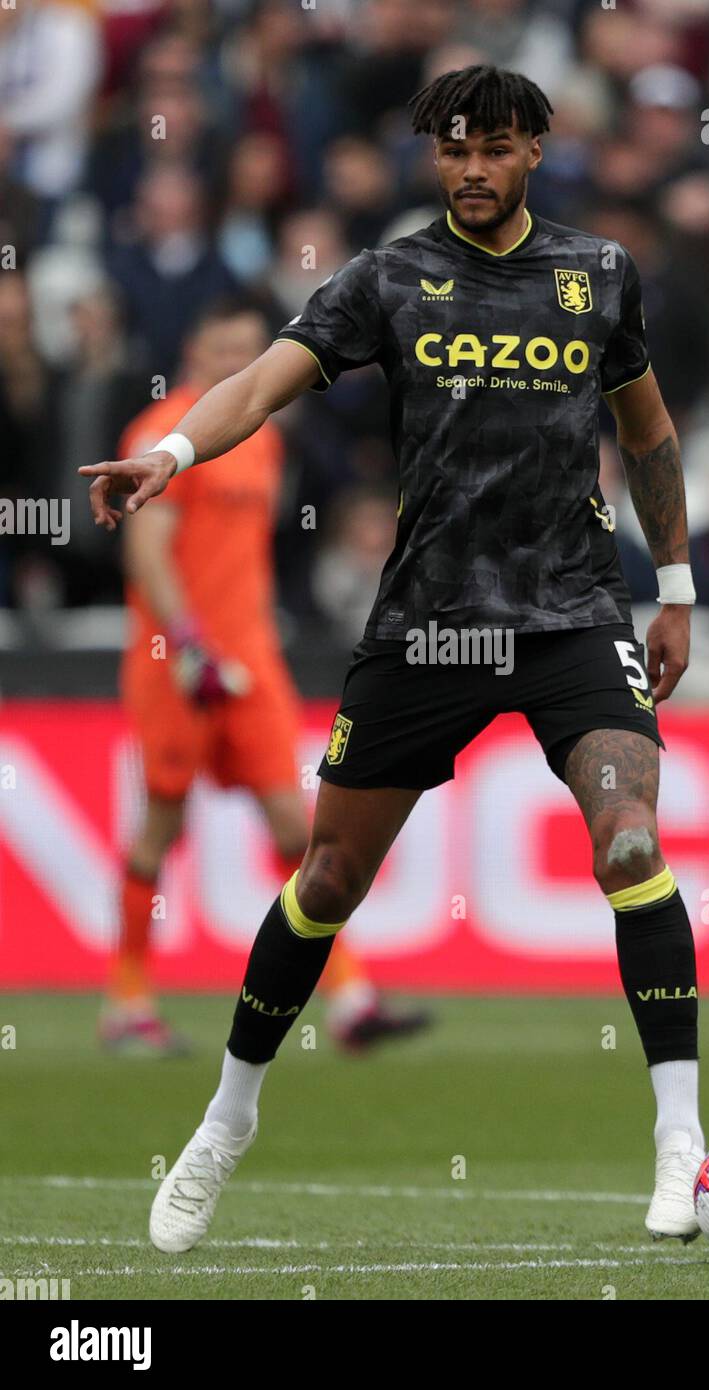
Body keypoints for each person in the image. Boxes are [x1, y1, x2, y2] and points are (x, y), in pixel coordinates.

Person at [82, 65, 703, 1254]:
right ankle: (225, 1119)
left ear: (533, 153)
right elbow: (264, 382)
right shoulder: (390, 277)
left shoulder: (597, 275)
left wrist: (672, 588)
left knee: (628, 838)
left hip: (573, 609)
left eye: (494, 148)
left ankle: (677, 1140)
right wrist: (169, 447)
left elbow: (649, 430)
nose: (470, 168)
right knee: (323, 880)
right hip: (426, 622)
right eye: (453, 150)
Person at [100, 295, 431, 1056]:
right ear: (194, 352)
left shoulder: (262, 440)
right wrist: (186, 642)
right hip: (177, 662)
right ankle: (126, 1001)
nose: (236, 366)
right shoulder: (164, 434)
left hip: (250, 662)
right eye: (222, 351)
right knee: (161, 825)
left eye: (248, 353)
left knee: (299, 828)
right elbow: (148, 549)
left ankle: (349, 1001)